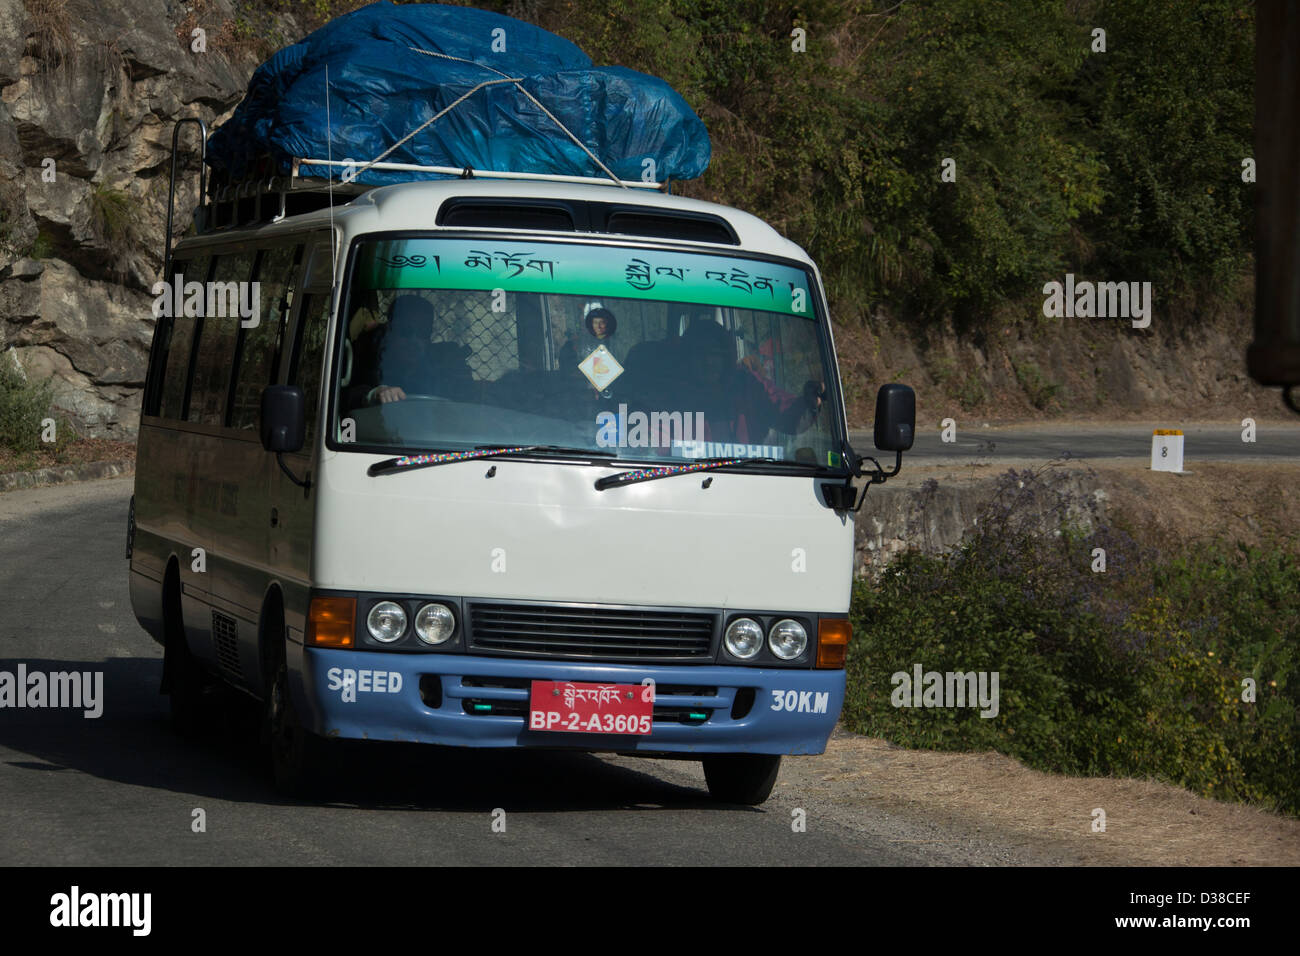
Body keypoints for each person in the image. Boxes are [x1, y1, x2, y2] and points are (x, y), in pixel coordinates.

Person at [671, 319, 825, 445]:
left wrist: (808, 404)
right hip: (687, 478)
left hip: (750, 477)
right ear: (687, 358)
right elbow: (657, 450)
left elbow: (787, 415)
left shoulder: (748, 385)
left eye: (715, 354)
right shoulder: (671, 395)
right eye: (700, 354)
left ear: (726, 357)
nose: (708, 361)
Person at [347, 295, 475, 406]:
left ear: (428, 339)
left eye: (423, 333)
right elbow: (345, 396)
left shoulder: (440, 367)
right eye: (405, 332)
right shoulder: (370, 361)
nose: (414, 341)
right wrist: (375, 394)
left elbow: (466, 399)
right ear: (390, 333)